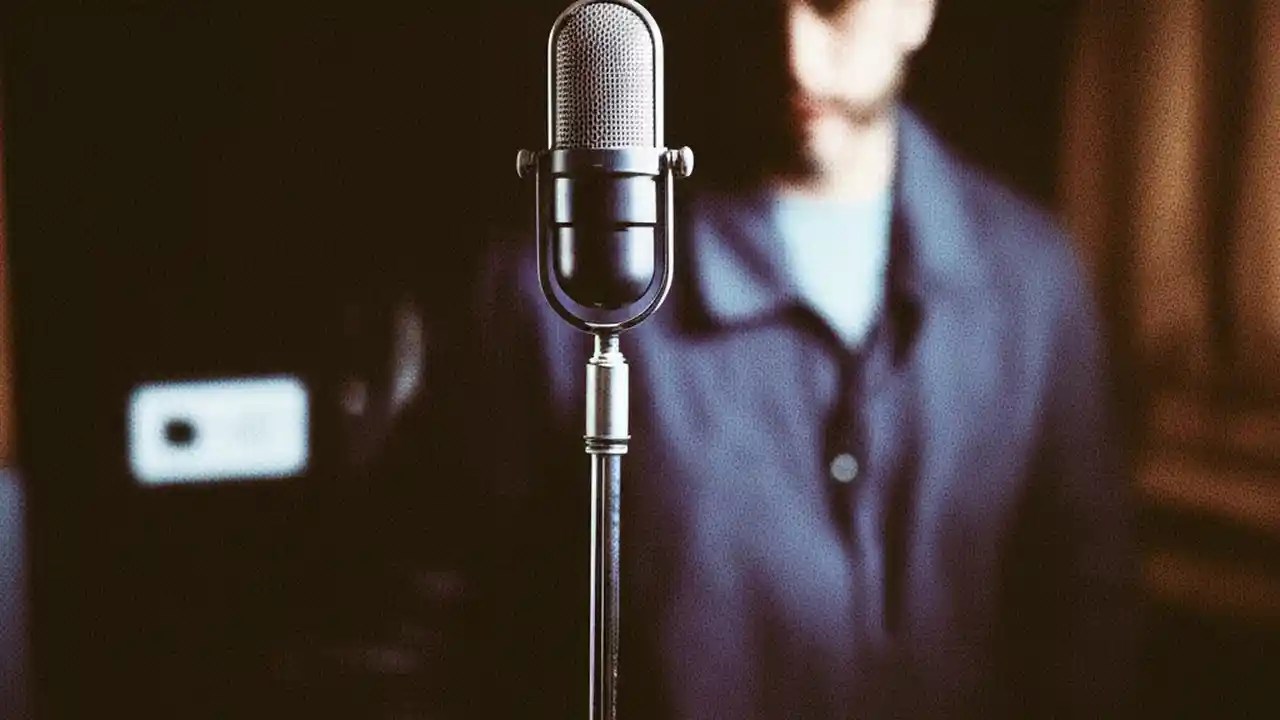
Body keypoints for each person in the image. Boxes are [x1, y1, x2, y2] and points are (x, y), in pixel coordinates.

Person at [379, 0, 1140, 717]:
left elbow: (1085, 623)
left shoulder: (1036, 284)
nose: (797, 61)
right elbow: (415, 622)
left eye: (834, 6)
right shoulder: (555, 301)